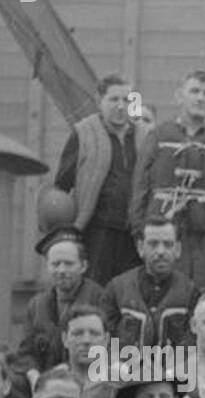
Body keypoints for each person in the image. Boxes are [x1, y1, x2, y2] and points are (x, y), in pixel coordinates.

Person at [129, 71, 205, 286]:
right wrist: (141, 235)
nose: (200, 98)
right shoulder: (159, 136)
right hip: (165, 239)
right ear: (179, 96)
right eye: (194, 91)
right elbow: (139, 189)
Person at [53, 74, 148, 285]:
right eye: (114, 100)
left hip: (134, 233)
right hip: (97, 230)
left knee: (130, 291)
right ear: (99, 101)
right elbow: (61, 186)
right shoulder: (83, 133)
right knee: (94, 290)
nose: (121, 106)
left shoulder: (144, 135)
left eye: (127, 100)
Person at [100, 217, 200, 350]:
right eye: (153, 244)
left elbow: (193, 344)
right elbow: (103, 338)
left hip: (175, 369)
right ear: (141, 248)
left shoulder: (191, 293)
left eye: (168, 244)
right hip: (124, 368)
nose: (160, 252)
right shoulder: (117, 289)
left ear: (178, 249)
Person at [19, 230, 106, 371]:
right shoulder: (36, 304)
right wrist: (32, 375)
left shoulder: (101, 300)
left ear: (83, 266)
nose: (62, 270)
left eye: (69, 264)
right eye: (56, 264)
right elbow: (25, 353)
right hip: (44, 380)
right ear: (47, 266)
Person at [62, 305, 129, 398]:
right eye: (78, 333)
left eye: (94, 334)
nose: (86, 340)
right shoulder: (51, 387)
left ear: (106, 340)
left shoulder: (125, 385)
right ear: (65, 339)